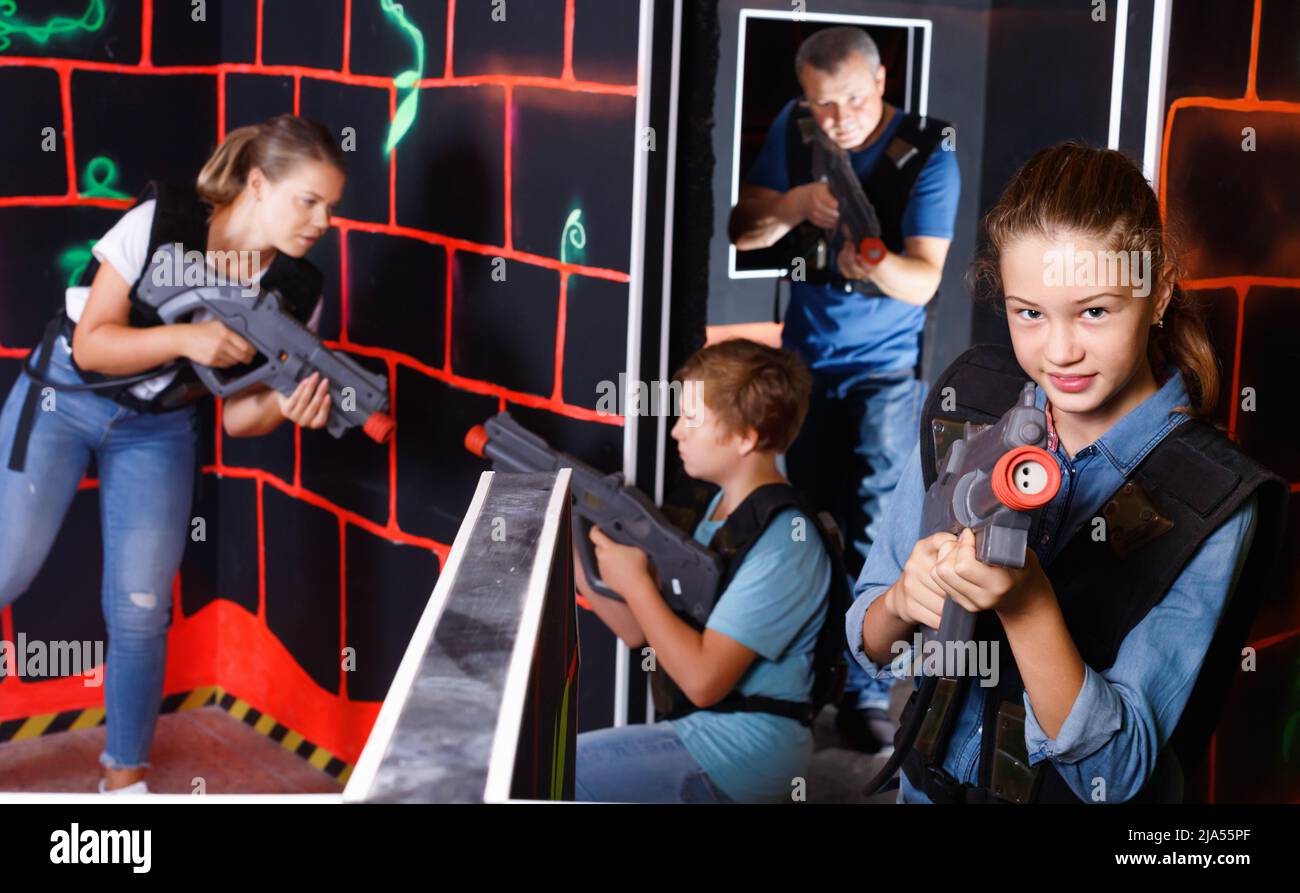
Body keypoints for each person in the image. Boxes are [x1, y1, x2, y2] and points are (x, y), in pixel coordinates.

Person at [848, 142, 1287, 803]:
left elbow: (1117, 777)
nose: (1059, 351)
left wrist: (1027, 607)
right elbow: (868, 642)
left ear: (1159, 287)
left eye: (1095, 311)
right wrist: (902, 603)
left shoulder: (1212, 496)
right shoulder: (965, 403)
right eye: (1030, 312)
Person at [0, 115, 347, 794]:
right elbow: (95, 342)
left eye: (332, 206)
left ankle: (125, 783)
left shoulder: (299, 290)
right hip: (65, 394)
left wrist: (289, 405)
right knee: (5, 568)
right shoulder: (162, 220)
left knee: (139, 604)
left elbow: (241, 415)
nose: (323, 220)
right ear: (257, 182)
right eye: (308, 200)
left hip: (157, 425)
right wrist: (187, 342)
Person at [728, 25, 961, 749]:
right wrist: (795, 205)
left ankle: (862, 693)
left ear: (881, 80)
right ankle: (796, 681)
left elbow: (922, 281)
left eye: (853, 101)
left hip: (883, 373)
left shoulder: (927, 149)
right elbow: (742, 231)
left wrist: (875, 262)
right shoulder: (798, 134)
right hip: (800, 368)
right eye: (822, 106)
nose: (839, 120)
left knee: (869, 530)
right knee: (797, 526)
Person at [574, 339, 834, 803]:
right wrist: (570, 543)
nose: (676, 432)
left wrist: (636, 582)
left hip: (747, 748)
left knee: (560, 776)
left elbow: (703, 682)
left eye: (691, 420)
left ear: (746, 437)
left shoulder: (786, 543)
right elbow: (636, 631)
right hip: (700, 730)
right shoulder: (715, 509)